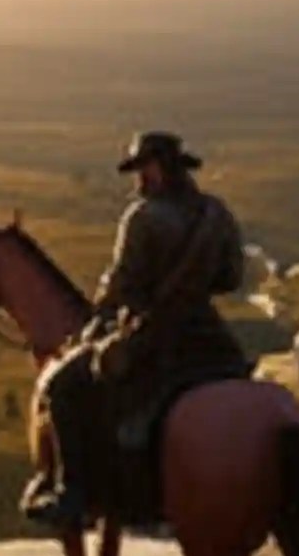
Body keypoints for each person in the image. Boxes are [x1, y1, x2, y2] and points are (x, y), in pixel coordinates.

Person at [22, 131, 252, 527]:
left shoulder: (143, 216)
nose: (140, 179)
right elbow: (231, 278)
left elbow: (122, 283)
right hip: (209, 337)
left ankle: (73, 494)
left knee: (63, 387)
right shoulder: (217, 213)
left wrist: (103, 314)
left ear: (163, 168)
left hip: (154, 335)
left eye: (144, 168)